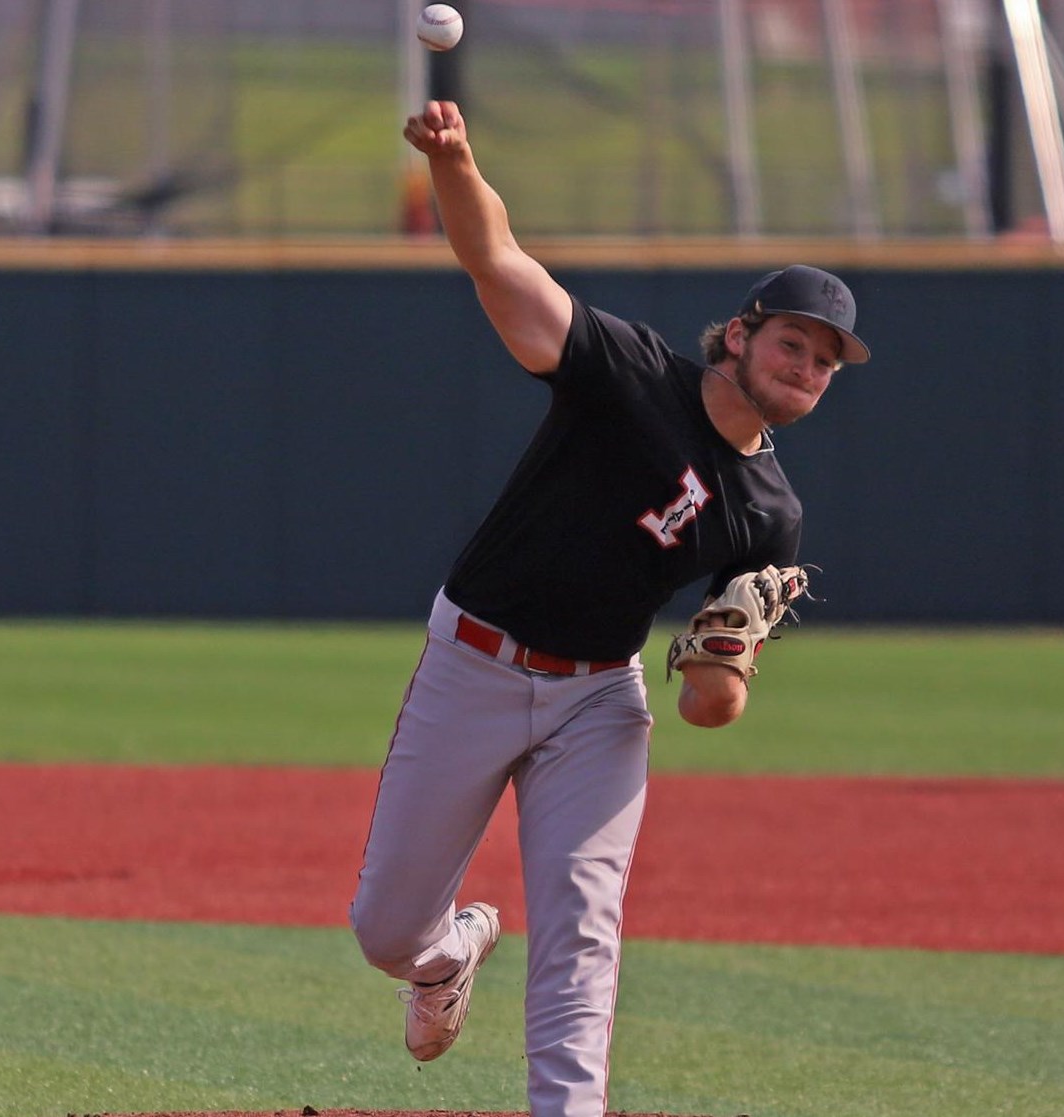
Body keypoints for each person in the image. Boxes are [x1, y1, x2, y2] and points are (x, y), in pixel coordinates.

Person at [348, 99, 868, 1117]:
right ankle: (446, 954)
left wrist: (728, 658)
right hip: (476, 660)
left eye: (822, 360)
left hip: (599, 697)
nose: (804, 367)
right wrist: (454, 162)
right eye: (791, 343)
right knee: (384, 927)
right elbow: (497, 263)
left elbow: (707, 707)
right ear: (738, 335)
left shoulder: (771, 515)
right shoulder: (626, 372)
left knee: (583, 925)